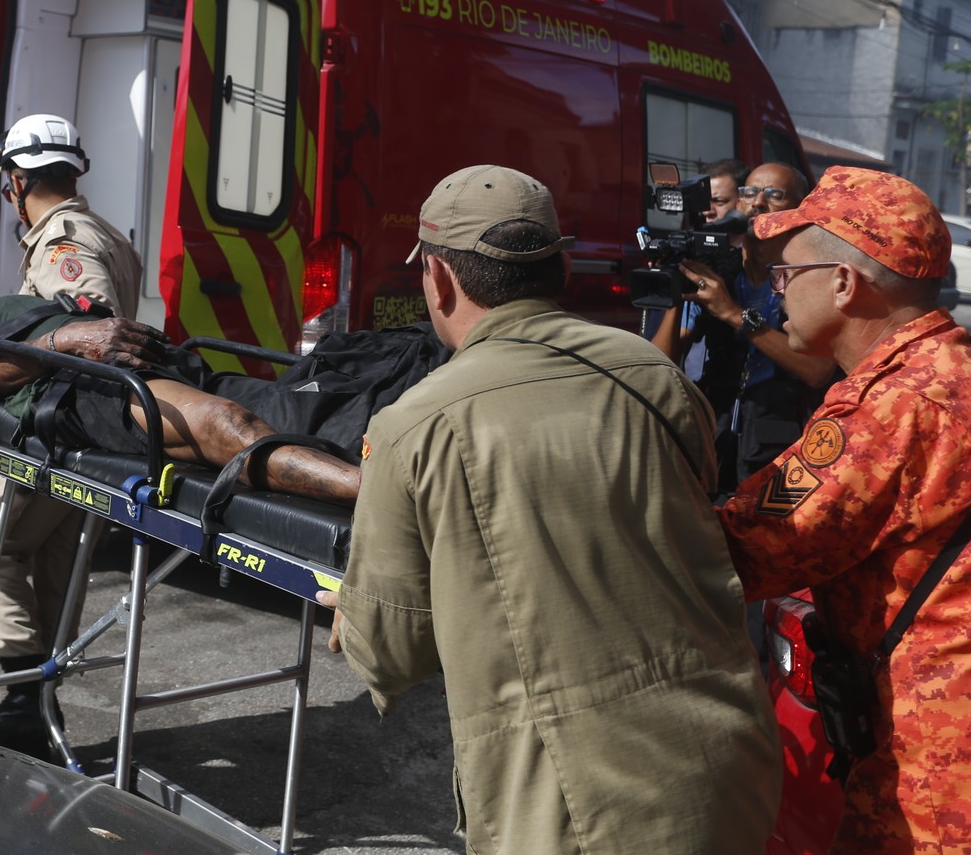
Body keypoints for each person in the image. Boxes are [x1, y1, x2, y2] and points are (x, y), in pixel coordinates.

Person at [322, 165, 780, 853]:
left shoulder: (413, 424)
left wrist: (352, 615)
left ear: (439, 280)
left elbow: (389, 654)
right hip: (729, 765)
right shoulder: (656, 376)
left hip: (583, 810)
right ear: (557, 267)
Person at [717, 167, 971, 854]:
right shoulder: (953, 373)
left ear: (843, 283)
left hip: (931, 782)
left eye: (787, 269)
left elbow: (739, 553)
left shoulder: (890, 407)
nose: (777, 287)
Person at [0, 114, 145, 758]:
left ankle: (22, 697)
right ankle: (39, 699)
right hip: (86, 434)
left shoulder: (64, 243)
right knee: (53, 556)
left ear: (15, 181)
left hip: (58, 429)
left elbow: (89, 324)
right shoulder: (104, 233)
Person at [0, 264, 363, 506]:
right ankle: (377, 496)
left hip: (140, 364)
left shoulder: (18, 299)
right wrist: (70, 340)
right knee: (226, 423)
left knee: (294, 403)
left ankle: (393, 470)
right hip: (87, 385)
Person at [653, 162, 834, 489]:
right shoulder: (721, 273)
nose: (758, 203)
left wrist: (734, 314)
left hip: (781, 449)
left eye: (775, 195)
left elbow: (818, 370)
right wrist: (676, 290)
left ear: (800, 209)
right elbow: (660, 361)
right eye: (749, 192)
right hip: (716, 439)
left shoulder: (803, 279)